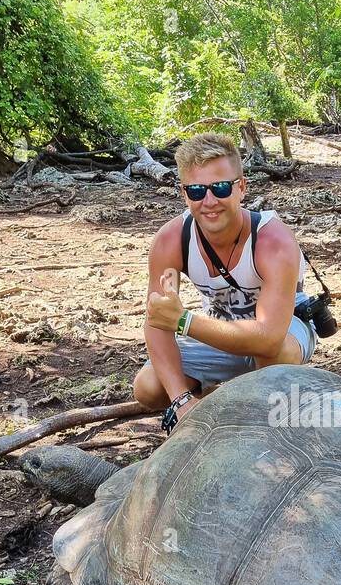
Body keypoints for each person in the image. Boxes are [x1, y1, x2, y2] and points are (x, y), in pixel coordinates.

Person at [133, 132, 316, 431]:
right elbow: (157, 322)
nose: (209, 201)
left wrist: (183, 321)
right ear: (183, 193)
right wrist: (180, 400)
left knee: (276, 354)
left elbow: (268, 335)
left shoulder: (273, 241)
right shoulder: (171, 240)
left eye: (220, 188)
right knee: (148, 387)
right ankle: (209, 404)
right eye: (196, 191)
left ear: (241, 188)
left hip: (282, 332)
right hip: (220, 332)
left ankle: (264, 416)